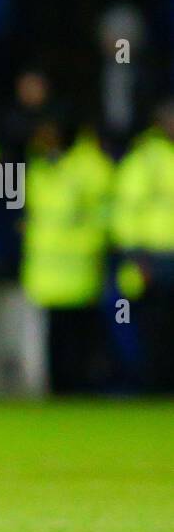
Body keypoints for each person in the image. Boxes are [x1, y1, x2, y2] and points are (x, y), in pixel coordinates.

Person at [20, 121, 113, 392]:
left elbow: (104, 214)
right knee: (55, 336)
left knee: (83, 336)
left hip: (80, 267)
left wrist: (93, 245)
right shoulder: (39, 168)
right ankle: (58, 390)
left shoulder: (90, 166)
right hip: (47, 272)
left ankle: (87, 388)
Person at [112, 100, 174, 392]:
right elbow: (126, 210)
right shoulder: (144, 159)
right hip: (156, 258)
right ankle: (156, 386)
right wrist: (136, 257)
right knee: (156, 326)